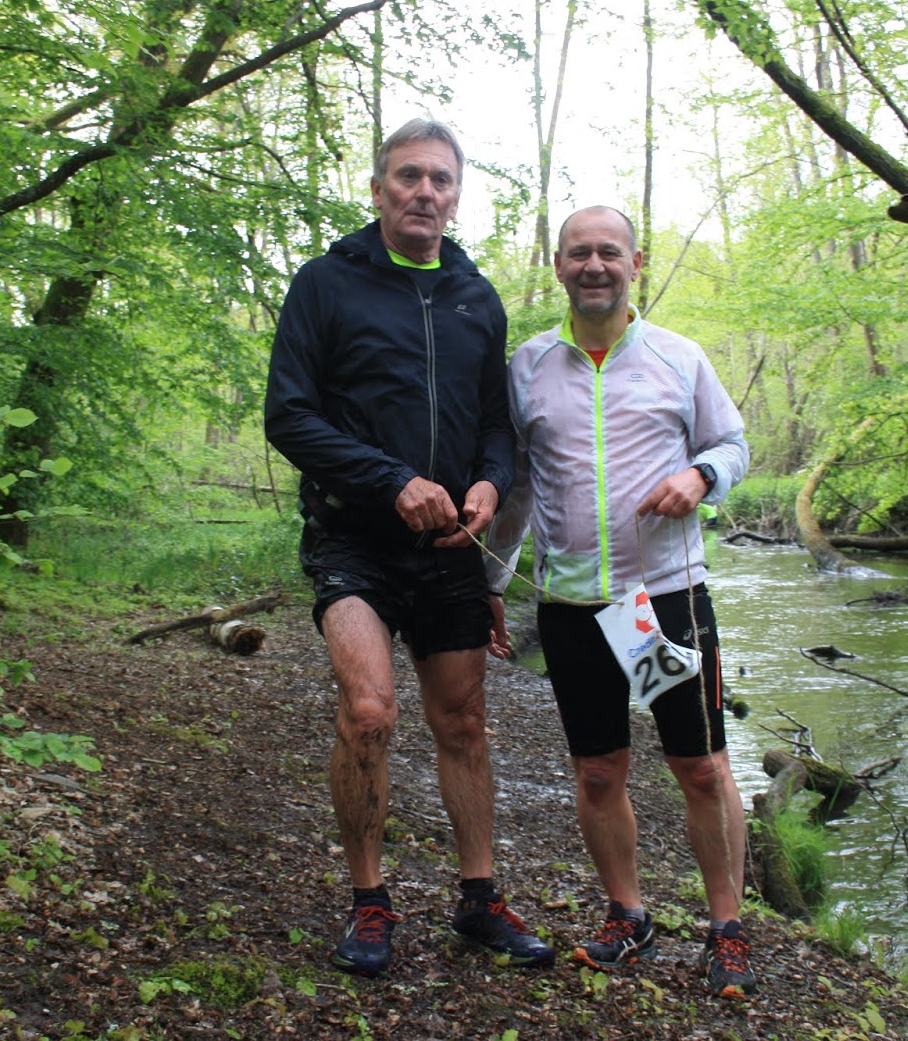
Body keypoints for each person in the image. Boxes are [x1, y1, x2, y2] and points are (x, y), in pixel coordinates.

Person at [263, 119, 555, 979]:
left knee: (463, 721)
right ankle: (370, 900)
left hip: (453, 547)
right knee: (369, 712)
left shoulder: (477, 297)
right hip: (355, 535)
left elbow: (497, 426)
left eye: (440, 180)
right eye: (408, 177)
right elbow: (289, 416)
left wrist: (491, 486)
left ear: (456, 193)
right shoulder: (327, 284)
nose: (425, 192)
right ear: (380, 188)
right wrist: (392, 481)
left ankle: (478, 900)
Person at [484, 205, 756, 998]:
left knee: (700, 768)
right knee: (600, 773)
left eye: (609, 252)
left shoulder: (678, 358)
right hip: (571, 608)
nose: (594, 264)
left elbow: (732, 444)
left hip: (662, 601)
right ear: (559, 265)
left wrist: (701, 477)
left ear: (636, 261)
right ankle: (627, 915)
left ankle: (728, 927)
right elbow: (519, 488)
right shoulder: (529, 366)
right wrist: (491, 585)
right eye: (579, 253)